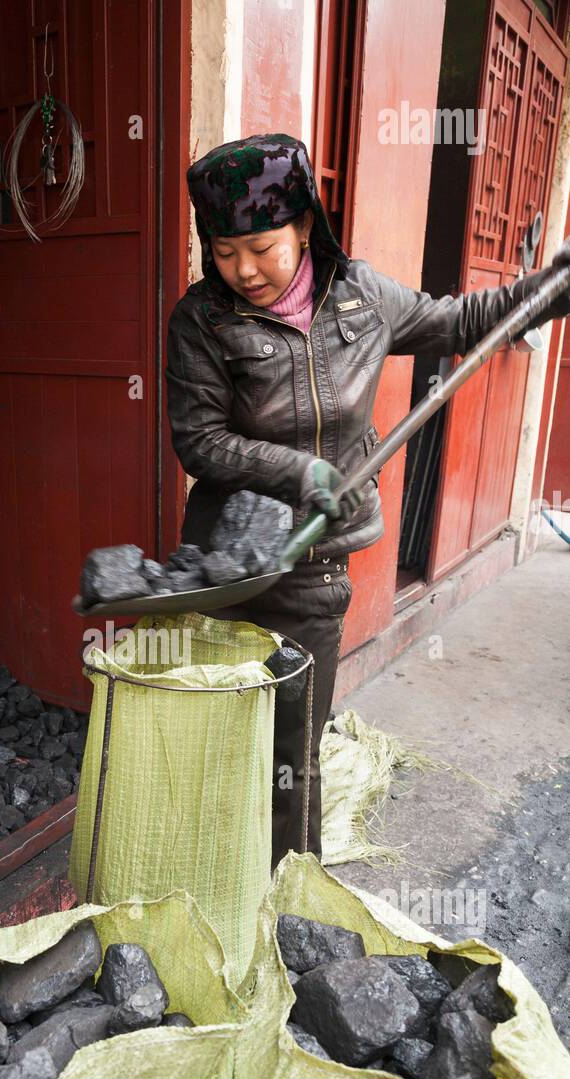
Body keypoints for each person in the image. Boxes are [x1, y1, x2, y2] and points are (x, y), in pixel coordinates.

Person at [165, 133, 570, 868]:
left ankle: (288, 896)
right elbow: (200, 441)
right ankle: (207, 871)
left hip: (314, 568)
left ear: (303, 228)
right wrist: (300, 471)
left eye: (262, 248)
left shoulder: (363, 298)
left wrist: (547, 291)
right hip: (228, 565)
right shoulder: (202, 321)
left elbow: (460, 321)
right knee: (217, 736)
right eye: (224, 252)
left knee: (295, 751)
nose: (244, 271)